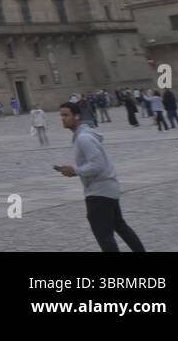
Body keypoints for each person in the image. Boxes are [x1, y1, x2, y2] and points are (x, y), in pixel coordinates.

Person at [55, 101, 145, 252]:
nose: (62, 118)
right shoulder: (83, 136)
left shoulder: (84, 138)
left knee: (104, 235)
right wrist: (73, 171)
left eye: (66, 115)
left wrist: (75, 170)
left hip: (99, 192)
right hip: (107, 188)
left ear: (77, 116)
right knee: (120, 226)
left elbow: (98, 165)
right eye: (61, 115)